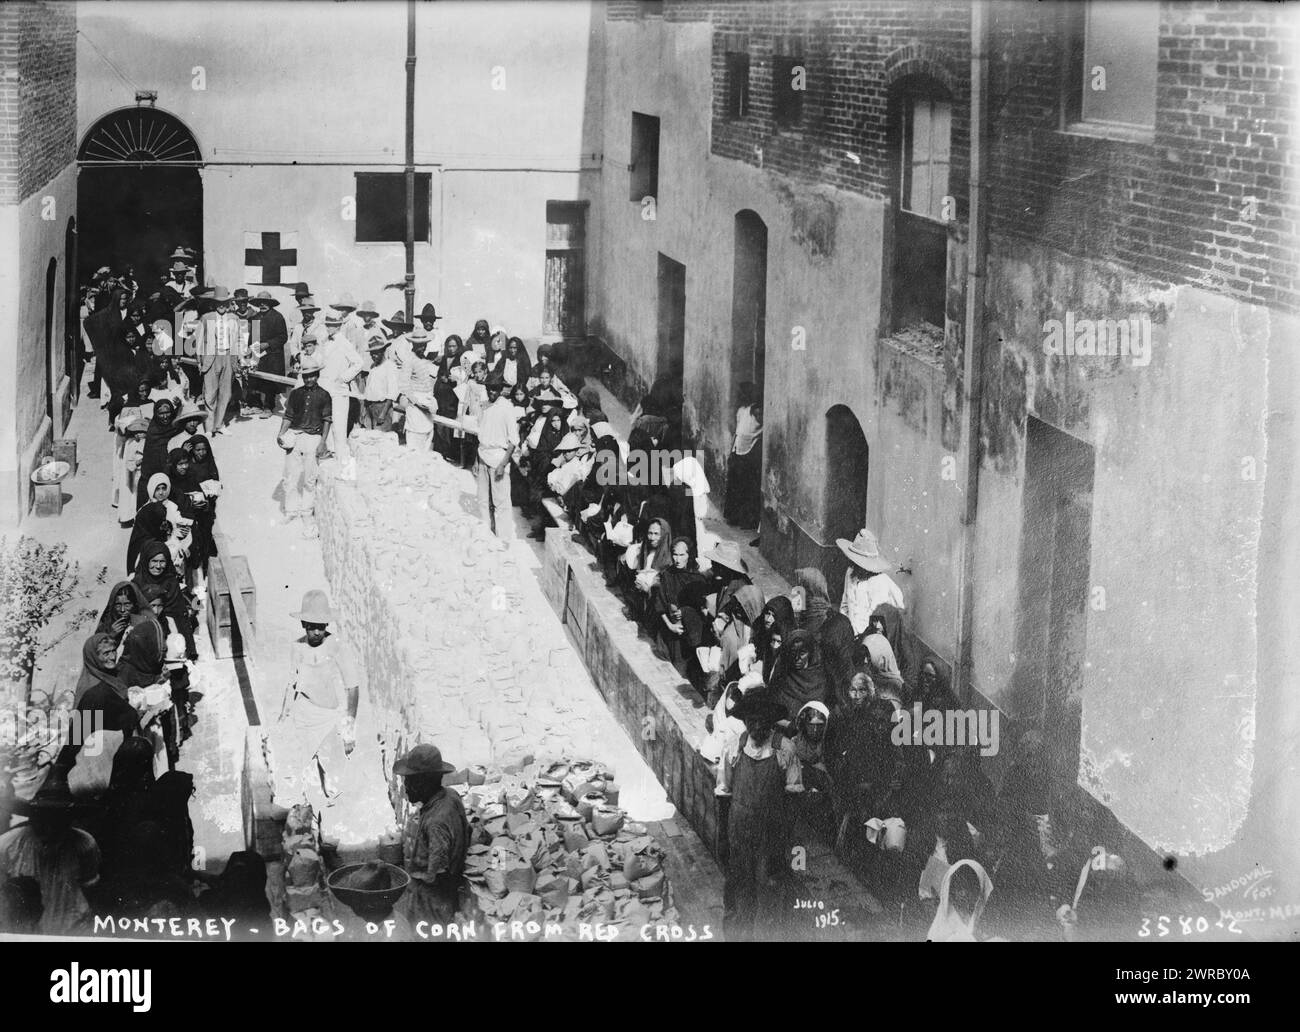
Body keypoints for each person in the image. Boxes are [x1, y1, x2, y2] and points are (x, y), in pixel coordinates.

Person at [715, 691, 803, 941]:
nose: (757, 725)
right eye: (752, 720)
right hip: (739, 831)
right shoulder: (735, 747)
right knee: (738, 885)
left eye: (762, 720)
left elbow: (793, 797)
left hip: (770, 833)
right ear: (745, 721)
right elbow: (723, 795)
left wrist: (785, 840)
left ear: (770, 721)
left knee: (770, 889)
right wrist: (723, 837)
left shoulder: (784, 749)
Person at [277, 590, 360, 805]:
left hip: (329, 717)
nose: (316, 632)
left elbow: (352, 687)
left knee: (333, 783)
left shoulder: (337, 646)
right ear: (303, 624)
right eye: (311, 626)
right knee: (298, 773)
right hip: (304, 714)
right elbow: (292, 684)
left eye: (321, 627)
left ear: (327, 626)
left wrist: (348, 731)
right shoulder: (297, 647)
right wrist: (283, 715)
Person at [0, 770, 101, 936]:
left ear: (68, 820)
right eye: (41, 819)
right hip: (26, 930)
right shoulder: (7, 846)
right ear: (31, 817)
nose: (48, 828)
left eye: (56, 820)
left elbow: (90, 886)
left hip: (73, 925)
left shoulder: (84, 844)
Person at [393, 743, 469, 927]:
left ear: (424, 782)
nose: (406, 786)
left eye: (410, 781)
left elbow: (439, 873)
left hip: (432, 903)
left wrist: (423, 895)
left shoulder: (436, 822)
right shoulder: (451, 796)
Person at [278, 353, 333, 528]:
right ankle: (291, 510)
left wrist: (323, 442)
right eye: (306, 376)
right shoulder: (295, 394)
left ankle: (307, 512)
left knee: (310, 478)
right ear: (302, 376)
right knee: (291, 477)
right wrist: (281, 434)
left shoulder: (324, 395)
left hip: (313, 437)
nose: (309, 379)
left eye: (312, 375)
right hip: (295, 435)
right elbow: (288, 416)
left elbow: (327, 420)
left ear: (317, 375)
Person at [475, 373, 520, 540]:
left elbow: (514, 440)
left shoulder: (507, 407)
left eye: (494, 389)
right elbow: (480, 434)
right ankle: (486, 534)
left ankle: (503, 539)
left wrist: (502, 464)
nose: (491, 393)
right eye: (488, 389)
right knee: (482, 499)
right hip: (482, 455)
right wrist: (476, 460)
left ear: (501, 390)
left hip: (498, 458)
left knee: (501, 503)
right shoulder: (484, 405)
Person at [837, 528, 906, 637]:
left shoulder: (879, 582)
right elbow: (845, 604)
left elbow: (876, 620)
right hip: (850, 631)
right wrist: (844, 629)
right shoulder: (850, 572)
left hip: (871, 635)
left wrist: (859, 638)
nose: (855, 565)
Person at [318, 311, 364, 471]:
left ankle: (343, 464)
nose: (329, 328)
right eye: (328, 324)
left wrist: (343, 378)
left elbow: (359, 363)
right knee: (326, 424)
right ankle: (329, 459)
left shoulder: (344, 343)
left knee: (339, 427)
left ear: (339, 326)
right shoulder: (325, 342)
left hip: (339, 390)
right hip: (325, 389)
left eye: (333, 325)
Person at [196, 286, 242, 435]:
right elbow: (199, 341)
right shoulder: (206, 317)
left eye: (224, 302)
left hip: (228, 357)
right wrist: (199, 361)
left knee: (226, 393)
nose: (221, 306)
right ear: (213, 304)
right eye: (218, 303)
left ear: (229, 303)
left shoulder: (234, 318)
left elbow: (240, 339)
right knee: (210, 394)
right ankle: (209, 428)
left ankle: (219, 424)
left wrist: (240, 358)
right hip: (211, 357)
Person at [724, 382, 763, 531]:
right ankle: (734, 517)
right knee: (735, 487)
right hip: (738, 451)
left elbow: (760, 429)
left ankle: (747, 520)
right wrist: (731, 450)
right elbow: (738, 432)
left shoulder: (756, 410)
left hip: (749, 453)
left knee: (747, 488)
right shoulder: (741, 410)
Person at [925, 859, 994, 942]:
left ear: (981, 890)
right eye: (958, 886)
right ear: (949, 889)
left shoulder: (991, 925)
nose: (963, 893)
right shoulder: (939, 929)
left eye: (970, 887)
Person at [396, 328, 438, 452]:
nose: (422, 348)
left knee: (426, 439)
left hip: (427, 404)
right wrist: (417, 402)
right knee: (415, 442)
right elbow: (404, 385)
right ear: (413, 344)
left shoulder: (424, 360)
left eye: (424, 345)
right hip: (415, 405)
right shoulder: (409, 359)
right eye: (419, 345)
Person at [247, 291, 288, 411]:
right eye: (260, 303)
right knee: (255, 378)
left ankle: (269, 406)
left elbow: (283, 337)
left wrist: (268, 344)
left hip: (273, 355)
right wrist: (251, 350)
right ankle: (256, 404)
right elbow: (251, 338)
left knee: (270, 381)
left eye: (265, 303)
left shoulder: (278, 317)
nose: (262, 305)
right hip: (257, 354)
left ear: (270, 304)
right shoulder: (255, 318)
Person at [136, 395, 179, 509]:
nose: (165, 416)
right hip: (153, 472)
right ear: (156, 414)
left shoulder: (174, 426)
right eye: (161, 413)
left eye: (168, 412)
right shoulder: (153, 431)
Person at [360, 334, 400, 432]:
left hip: (382, 407)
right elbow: (369, 389)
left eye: (376, 352)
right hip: (370, 406)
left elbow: (392, 393)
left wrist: (383, 412)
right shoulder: (373, 367)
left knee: (381, 439)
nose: (373, 355)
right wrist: (364, 409)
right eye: (372, 353)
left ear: (383, 351)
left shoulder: (390, 367)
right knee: (369, 438)